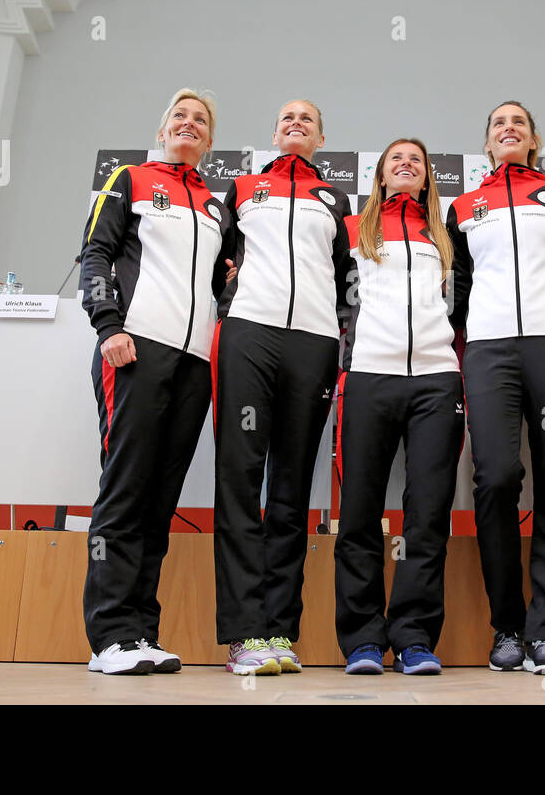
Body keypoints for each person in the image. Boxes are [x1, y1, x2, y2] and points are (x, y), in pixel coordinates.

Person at [79, 87, 229, 675]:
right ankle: (109, 637)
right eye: (180, 117)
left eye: (200, 121)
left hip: (195, 364)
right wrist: (108, 326)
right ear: (163, 129)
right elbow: (95, 254)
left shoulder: (217, 208)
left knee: (160, 503)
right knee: (125, 494)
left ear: (210, 142)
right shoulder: (129, 178)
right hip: (134, 350)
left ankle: (140, 632)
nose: (189, 125)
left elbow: (220, 281)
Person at [447, 101, 545, 674]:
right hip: (487, 351)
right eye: (497, 125)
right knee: (498, 478)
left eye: (518, 124)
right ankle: (508, 627)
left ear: (533, 140)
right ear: (486, 144)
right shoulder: (464, 205)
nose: (508, 130)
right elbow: (457, 284)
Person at [212, 99, 351, 675]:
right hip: (250, 336)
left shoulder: (335, 200)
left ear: (321, 137)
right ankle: (244, 634)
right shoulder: (243, 188)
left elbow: (347, 275)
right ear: (274, 133)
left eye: (308, 121)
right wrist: (228, 309)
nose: (296, 126)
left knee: (291, 487)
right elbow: (215, 260)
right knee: (241, 479)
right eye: (287, 120)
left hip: (313, 344)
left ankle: (279, 631)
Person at [333, 138, 464, 675]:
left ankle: (413, 637)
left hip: (437, 379)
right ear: (381, 176)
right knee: (360, 512)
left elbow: (467, 301)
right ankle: (363, 639)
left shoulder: (445, 235)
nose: (406, 164)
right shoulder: (351, 231)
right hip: (369, 376)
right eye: (396, 160)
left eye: (416, 160)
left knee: (426, 516)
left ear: (428, 177)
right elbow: (332, 298)